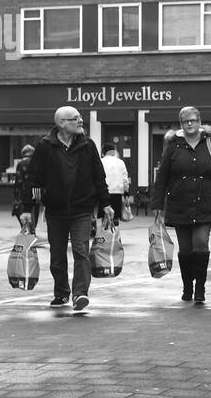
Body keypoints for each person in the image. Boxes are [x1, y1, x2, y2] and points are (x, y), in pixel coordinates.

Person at [16, 106, 113, 311]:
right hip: (55, 210)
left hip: (81, 209)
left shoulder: (88, 145)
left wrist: (106, 203)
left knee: (81, 251)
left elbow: (99, 176)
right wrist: (27, 207)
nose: (80, 121)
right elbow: (34, 180)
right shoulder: (44, 146)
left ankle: (80, 294)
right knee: (57, 255)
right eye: (75, 118)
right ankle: (61, 293)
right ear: (61, 123)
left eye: (80, 118)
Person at [149, 107, 211, 305]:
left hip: (206, 203)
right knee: (185, 249)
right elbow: (162, 177)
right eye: (186, 121)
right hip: (180, 205)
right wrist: (157, 203)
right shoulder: (173, 147)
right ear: (181, 124)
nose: (190, 124)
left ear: (199, 122)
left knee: (201, 242)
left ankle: (200, 288)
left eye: (194, 120)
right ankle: (188, 286)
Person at [11, 144, 39, 233]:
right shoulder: (37, 162)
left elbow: (18, 181)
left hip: (24, 194)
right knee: (34, 213)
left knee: (24, 215)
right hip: (36, 193)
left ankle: (28, 233)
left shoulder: (21, 163)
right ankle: (32, 230)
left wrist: (16, 196)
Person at [101, 143, 130, 221]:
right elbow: (125, 180)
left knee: (104, 215)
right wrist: (126, 192)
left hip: (103, 193)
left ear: (103, 151)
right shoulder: (120, 162)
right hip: (117, 193)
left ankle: (105, 231)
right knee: (116, 217)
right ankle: (115, 231)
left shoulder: (101, 162)